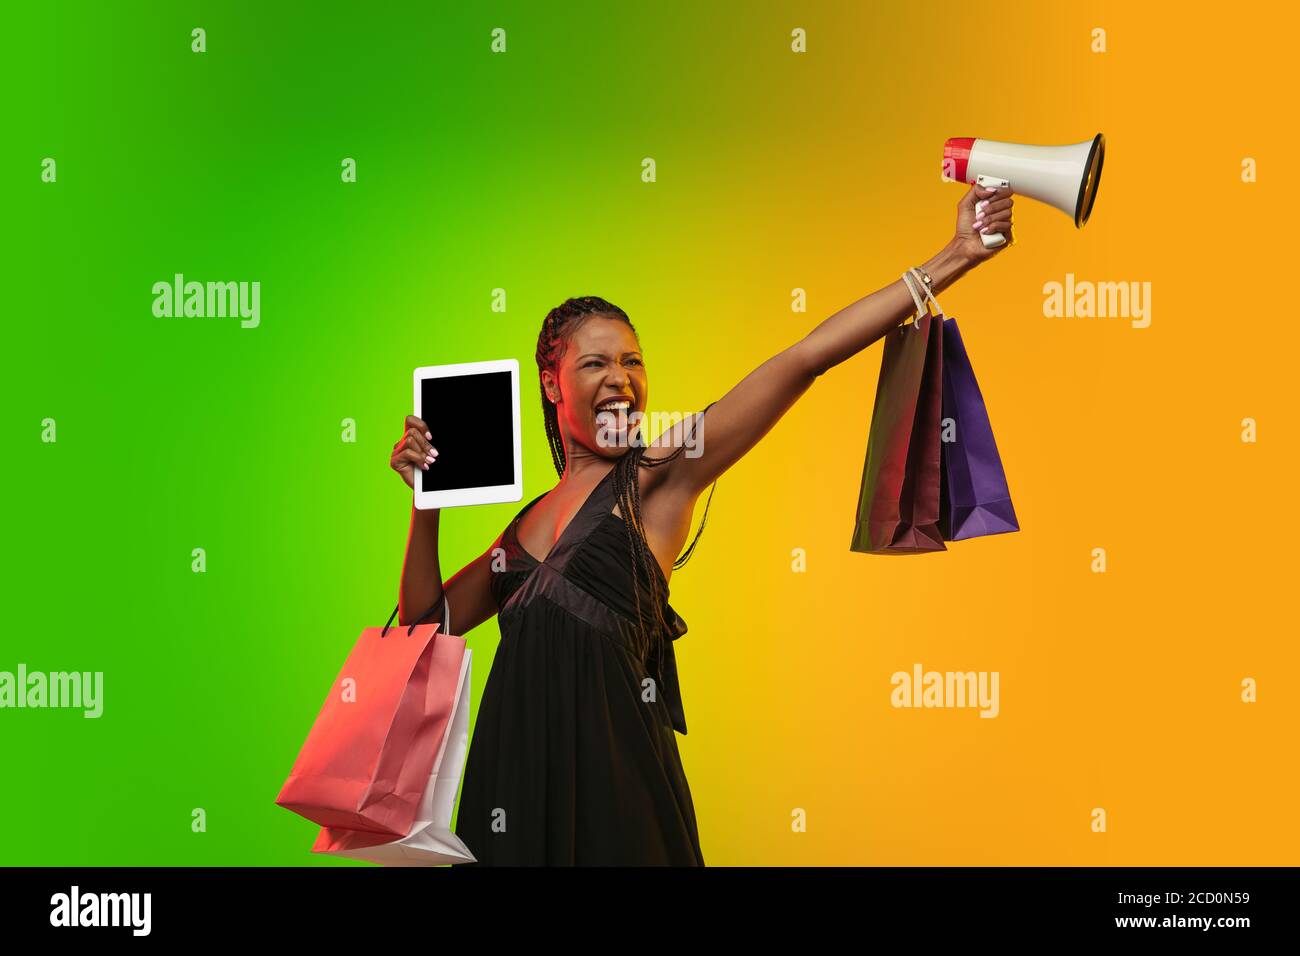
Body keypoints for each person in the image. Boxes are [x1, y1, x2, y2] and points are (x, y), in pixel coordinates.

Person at [389, 184, 1015, 865]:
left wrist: (954, 256)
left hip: (616, 798)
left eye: (633, 361)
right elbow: (425, 626)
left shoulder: (659, 473)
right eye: (596, 362)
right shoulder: (520, 530)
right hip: (511, 796)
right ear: (551, 382)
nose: (621, 379)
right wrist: (427, 503)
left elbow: (803, 359)